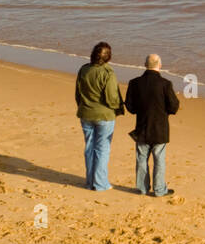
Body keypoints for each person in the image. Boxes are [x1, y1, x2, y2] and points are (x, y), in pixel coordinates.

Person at [124, 54, 180, 197]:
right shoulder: (165, 84)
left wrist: (140, 109)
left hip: (142, 127)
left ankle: (143, 188)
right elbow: (174, 106)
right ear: (159, 65)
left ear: (145, 64)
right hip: (159, 128)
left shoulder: (135, 83)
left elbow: (130, 107)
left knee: (142, 159)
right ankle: (159, 189)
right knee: (159, 160)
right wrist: (164, 111)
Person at [74, 42, 124, 191]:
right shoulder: (108, 73)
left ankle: (90, 182)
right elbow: (111, 97)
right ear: (108, 57)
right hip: (104, 115)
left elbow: (78, 93)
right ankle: (100, 183)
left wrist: (83, 106)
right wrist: (118, 107)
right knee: (102, 149)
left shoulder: (84, 69)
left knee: (90, 147)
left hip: (86, 113)